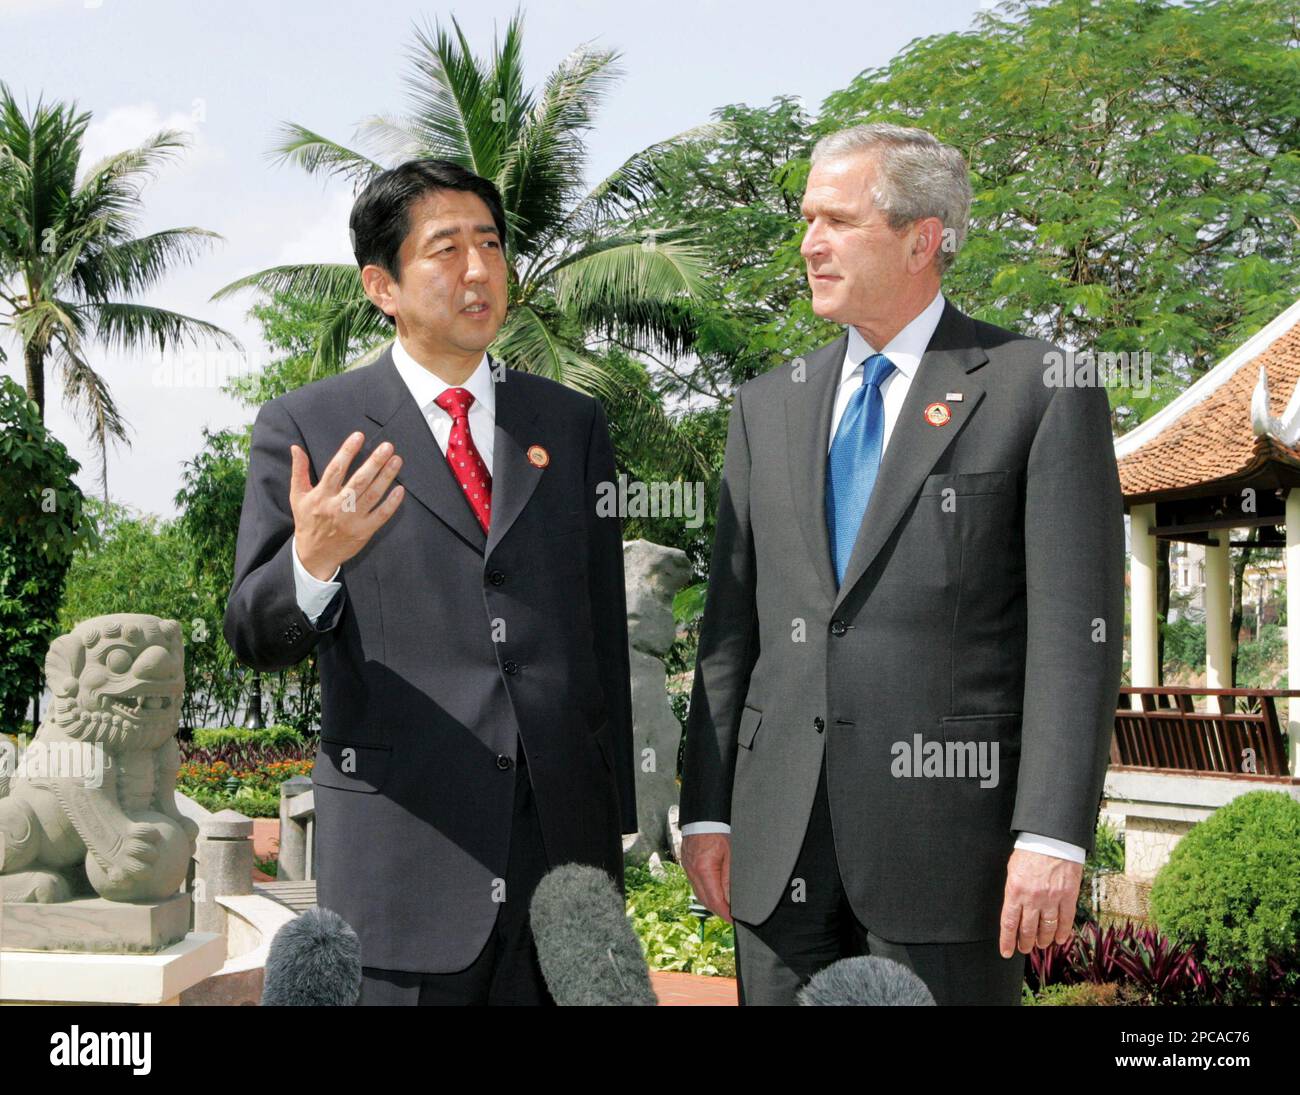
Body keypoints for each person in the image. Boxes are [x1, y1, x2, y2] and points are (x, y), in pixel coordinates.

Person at [679, 123, 1125, 1005]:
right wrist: (708, 808)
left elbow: (1075, 635)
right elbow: (730, 636)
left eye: (837, 221)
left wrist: (1052, 834)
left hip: (948, 854)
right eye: (807, 219)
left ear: (923, 237)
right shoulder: (766, 408)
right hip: (777, 853)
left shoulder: (1040, 385)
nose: (809, 244)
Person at [224, 158, 636, 1005]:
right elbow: (253, 632)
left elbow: (599, 638)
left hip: (562, 865)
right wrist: (314, 558)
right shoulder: (311, 424)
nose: (480, 270)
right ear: (383, 285)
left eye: (491, 243)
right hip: (404, 861)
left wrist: (612, 824)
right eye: (446, 250)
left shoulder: (568, 422)